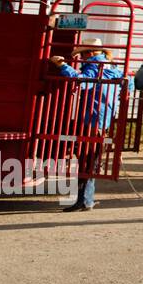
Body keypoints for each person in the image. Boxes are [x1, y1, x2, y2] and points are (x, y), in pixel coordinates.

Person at [50, 38, 125, 212]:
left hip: (91, 118)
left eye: (83, 54)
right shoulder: (112, 68)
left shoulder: (95, 66)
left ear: (90, 53)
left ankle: (83, 200)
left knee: (86, 159)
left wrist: (62, 66)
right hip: (102, 118)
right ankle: (86, 199)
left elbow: (81, 80)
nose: (81, 58)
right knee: (90, 159)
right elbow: (125, 84)